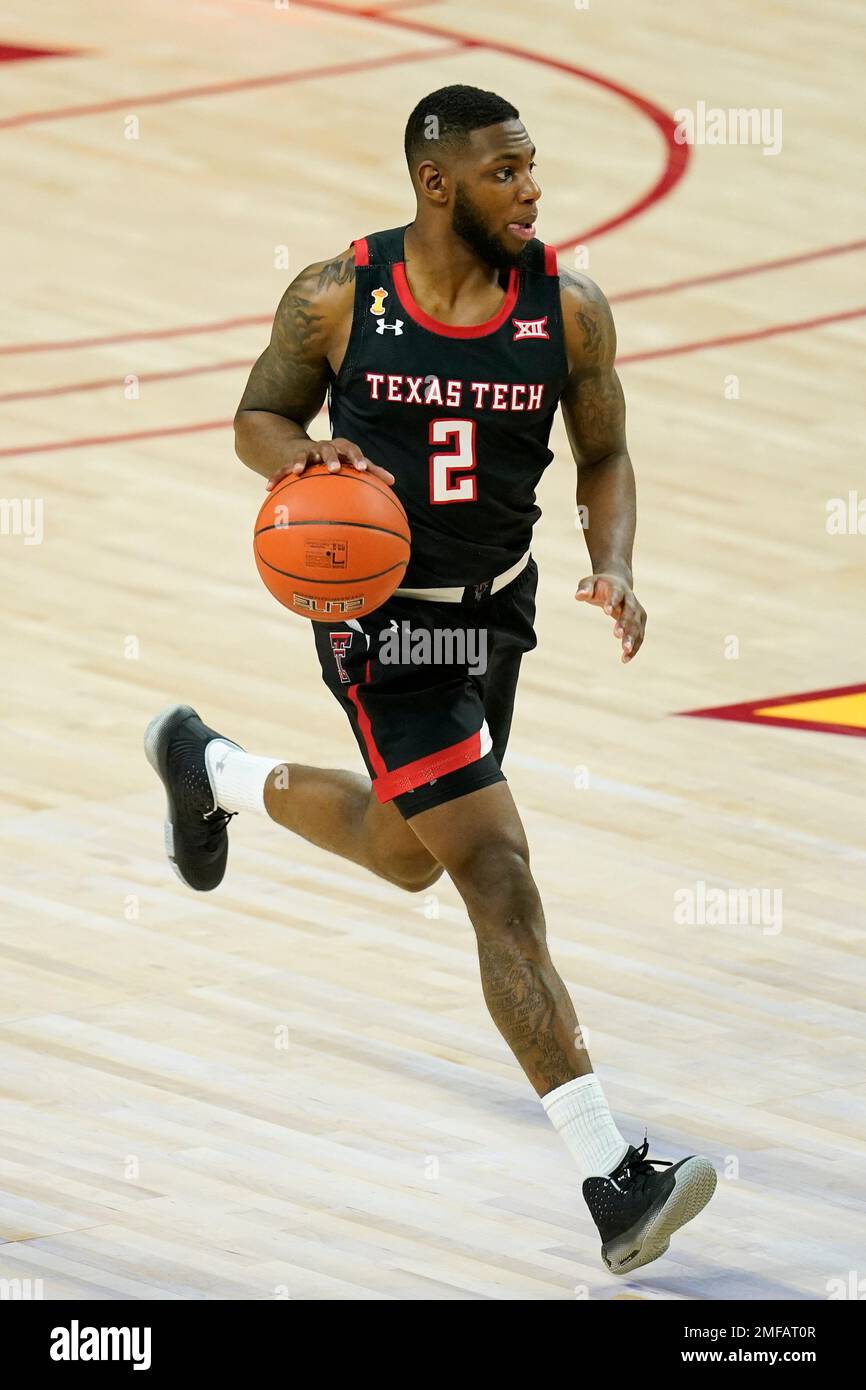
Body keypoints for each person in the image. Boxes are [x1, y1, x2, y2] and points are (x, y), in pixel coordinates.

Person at [145, 84, 716, 1275]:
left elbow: (604, 451)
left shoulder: (566, 308)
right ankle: (612, 1177)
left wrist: (611, 563)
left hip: (494, 611)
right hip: (381, 628)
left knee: (410, 851)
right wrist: (301, 456)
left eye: (533, 168)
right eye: (506, 171)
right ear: (436, 181)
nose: (533, 191)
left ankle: (210, 771)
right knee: (495, 874)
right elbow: (257, 415)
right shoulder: (337, 294)